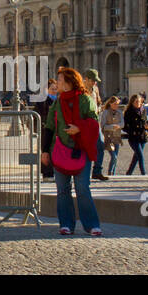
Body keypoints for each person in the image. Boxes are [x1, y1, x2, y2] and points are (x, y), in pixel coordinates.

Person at [47, 67, 101, 236]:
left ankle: (91, 224)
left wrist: (79, 128)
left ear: (70, 82)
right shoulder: (57, 102)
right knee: (62, 190)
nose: (58, 83)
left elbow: (94, 122)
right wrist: (44, 151)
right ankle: (66, 224)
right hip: (60, 150)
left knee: (82, 188)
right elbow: (49, 127)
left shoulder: (85, 100)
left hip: (80, 150)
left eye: (61, 80)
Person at [36, 78, 58, 181]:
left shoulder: (58, 101)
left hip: (56, 130)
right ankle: (47, 173)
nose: (55, 91)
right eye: (52, 89)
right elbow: (35, 116)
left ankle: (55, 171)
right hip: (45, 130)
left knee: (56, 150)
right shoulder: (42, 102)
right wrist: (38, 129)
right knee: (46, 150)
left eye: (56, 89)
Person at [122, 94, 148, 175]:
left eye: (139, 102)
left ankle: (129, 172)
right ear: (132, 102)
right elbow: (125, 126)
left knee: (136, 157)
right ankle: (144, 173)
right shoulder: (128, 112)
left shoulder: (143, 110)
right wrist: (131, 131)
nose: (138, 103)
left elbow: (146, 121)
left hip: (142, 136)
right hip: (133, 137)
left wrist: (147, 126)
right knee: (140, 156)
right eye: (136, 102)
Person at [98, 96, 122, 181]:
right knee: (114, 156)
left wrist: (119, 126)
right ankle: (110, 172)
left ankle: (113, 173)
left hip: (117, 137)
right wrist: (112, 127)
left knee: (116, 156)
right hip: (108, 138)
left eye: (118, 104)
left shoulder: (119, 112)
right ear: (111, 104)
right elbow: (103, 126)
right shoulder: (105, 112)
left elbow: (122, 123)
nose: (116, 106)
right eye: (115, 104)